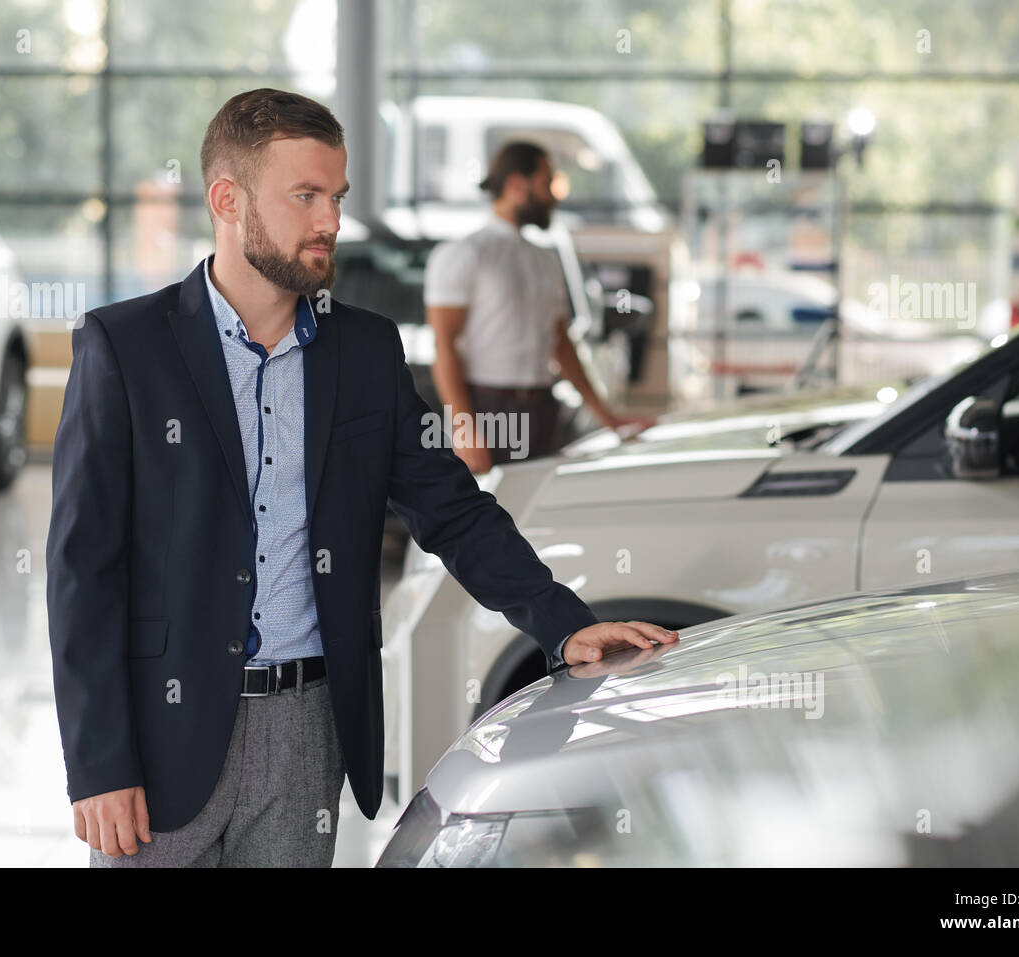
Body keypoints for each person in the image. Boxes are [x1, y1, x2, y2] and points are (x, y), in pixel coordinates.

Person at [45, 88, 678, 868]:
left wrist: (563, 621)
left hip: (310, 730)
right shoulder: (125, 346)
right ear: (227, 199)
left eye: (336, 197)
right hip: (160, 734)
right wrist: (99, 763)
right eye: (305, 196)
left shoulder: (365, 352)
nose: (330, 222)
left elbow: (451, 508)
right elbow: (83, 568)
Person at [423, 140, 655, 474]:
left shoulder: (545, 259)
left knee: (537, 519)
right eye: (547, 183)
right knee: (484, 519)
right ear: (517, 185)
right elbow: (443, 346)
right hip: (490, 410)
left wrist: (608, 418)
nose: (554, 195)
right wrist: (465, 429)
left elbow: (561, 343)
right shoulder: (464, 254)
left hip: (544, 409)